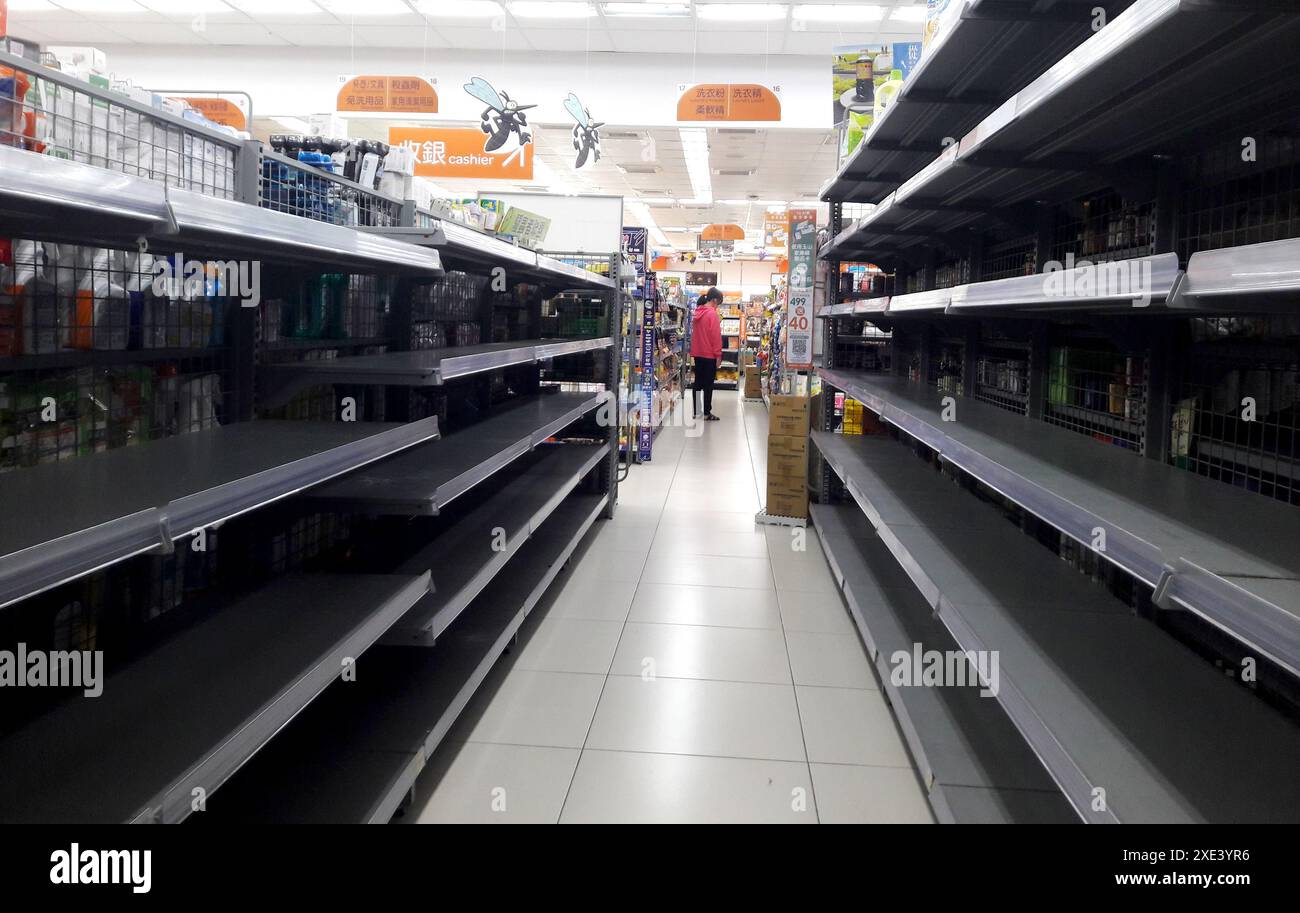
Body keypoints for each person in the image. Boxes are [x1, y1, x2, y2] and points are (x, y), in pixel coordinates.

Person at [690, 287, 724, 422]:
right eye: (719, 302)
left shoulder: (697, 313)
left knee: (698, 383)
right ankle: (706, 413)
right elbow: (715, 337)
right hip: (709, 354)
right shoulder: (712, 314)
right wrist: (718, 355)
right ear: (715, 300)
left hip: (698, 354)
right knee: (708, 385)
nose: (718, 306)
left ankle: (697, 412)